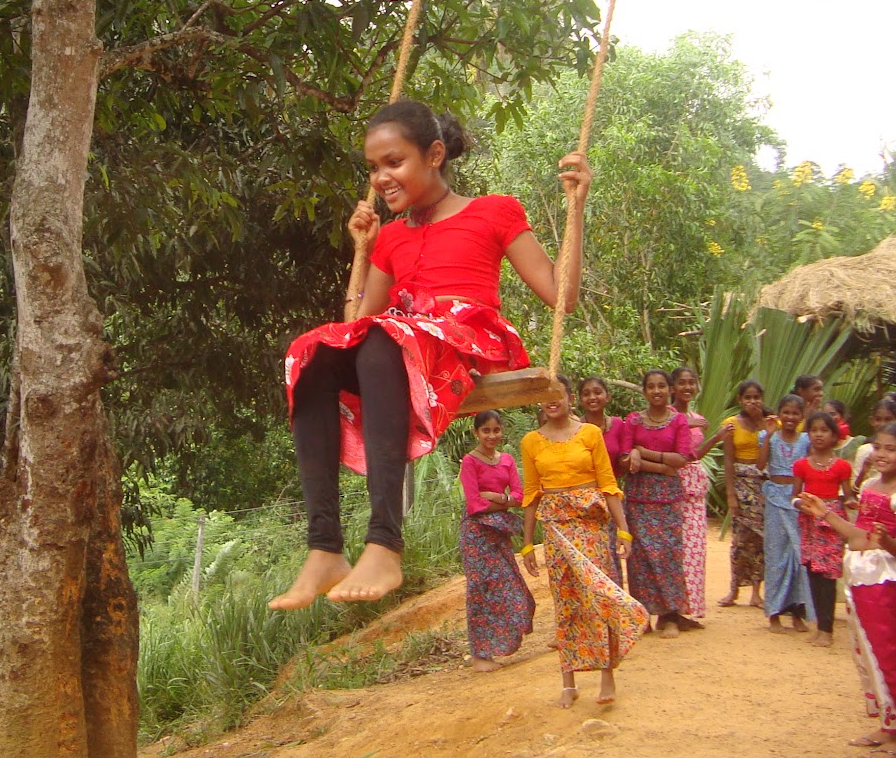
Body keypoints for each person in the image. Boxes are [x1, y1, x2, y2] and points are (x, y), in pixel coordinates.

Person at [273, 100, 591, 608]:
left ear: (435, 154)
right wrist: (362, 248)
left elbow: (562, 296)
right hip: (400, 343)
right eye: (373, 168)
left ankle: (384, 542)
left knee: (383, 341)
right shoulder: (391, 237)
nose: (381, 178)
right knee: (311, 352)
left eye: (393, 162)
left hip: (465, 341)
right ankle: (324, 546)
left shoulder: (494, 211)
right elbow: (354, 328)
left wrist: (576, 209)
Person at [797, 420, 896, 758]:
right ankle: (887, 724)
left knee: (885, 655)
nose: (882, 454)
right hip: (860, 573)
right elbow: (857, 535)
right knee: (866, 651)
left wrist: (887, 541)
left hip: (883, 579)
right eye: (879, 447)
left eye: (891, 449)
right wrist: (824, 513)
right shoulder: (869, 487)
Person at [519, 375, 647, 707]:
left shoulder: (590, 434)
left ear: (569, 398)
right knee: (566, 601)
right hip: (556, 531)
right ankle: (568, 682)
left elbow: (607, 483)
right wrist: (527, 543)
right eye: (545, 396)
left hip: (591, 526)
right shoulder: (530, 441)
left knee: (597, 596)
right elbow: (532, 494)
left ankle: (607, 675)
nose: (551, 400)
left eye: (557, 393)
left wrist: (623, 530)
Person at [457, 410, 535, 671]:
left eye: (496, 430)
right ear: (476, 433)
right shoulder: (469, 461)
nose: (492, 435)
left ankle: (499, 645)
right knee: (481, 591)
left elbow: (520, 495)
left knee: (512, 588)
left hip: (499, 533)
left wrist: (498, 498)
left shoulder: (508, 460)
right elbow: (474, 505)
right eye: (486, 431)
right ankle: (480, 655)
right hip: (476, 536)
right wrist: (503, 501)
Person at [621, 370, 695, 638]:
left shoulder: (679, 421)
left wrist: (644, 454)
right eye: (651, 387)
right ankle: (643, 617)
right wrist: (661, 466)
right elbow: (626, 459)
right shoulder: (633, 421)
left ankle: (670, 615)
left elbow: (682, 460)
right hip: (638, 499)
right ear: (644, 392)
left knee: (668, 556)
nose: (656, 391)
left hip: (668, 500)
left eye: (661, 386)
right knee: (639, 559)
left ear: (670, 390)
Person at [696, 380, 767, 608]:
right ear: (740, 400)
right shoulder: (731, 425)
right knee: (740, 540)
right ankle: (734, 589)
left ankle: (756, 592)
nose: (752, 402)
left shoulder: (770, 425)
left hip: (764, 487)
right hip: (741, 485)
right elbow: (727, 462)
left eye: (756, 397)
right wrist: (731, 495)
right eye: (748, 397)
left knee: (761, 541)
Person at [793, 410, 855, 649]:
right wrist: (803, 506)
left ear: (834, 436)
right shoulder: (801, 466)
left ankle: (827, 629)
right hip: (810, 522)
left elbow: (847, 496)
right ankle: (819, 625)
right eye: (814, 430)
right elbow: (794, 497)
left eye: (824, 430)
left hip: (831, 522)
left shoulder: (841, 467)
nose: (818, 435)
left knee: (828, 574)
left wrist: (849, 503)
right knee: (812, 572)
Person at [761, 393, 813, 633]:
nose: (790, 417)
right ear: (779, 414)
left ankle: (797, 611)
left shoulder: (806, 441)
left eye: (795, 413)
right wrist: (768, 436)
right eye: (786, 412)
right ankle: (773, 614)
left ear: (802, 417)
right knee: (775, 556)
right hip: (774, 499)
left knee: (798, 556)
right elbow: (760, 465)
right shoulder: (767, 436)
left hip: (797, 501)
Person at [577, 375, 630, 586]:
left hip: (611, 498)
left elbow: (624, 457)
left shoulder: (618, 425)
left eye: (597, 392)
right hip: (583, 500)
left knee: (609, 553)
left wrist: (632, 455)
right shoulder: (574, 428)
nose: (592, 397)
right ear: (579, 399)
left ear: (607, 396)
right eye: (586, 393)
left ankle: (614, 610)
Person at [671, 366, 711, 625]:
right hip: (673, 484)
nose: (687, 387)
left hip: (695, 487)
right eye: (682, 383)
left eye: (691, 382)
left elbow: (697, 454)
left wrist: (714, 437)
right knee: (676, 550)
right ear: (672, 387)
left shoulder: (698, 417)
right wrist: (686, 424)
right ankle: (673, 609)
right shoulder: (669, 416)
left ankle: (690, 608)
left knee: (696, 550)